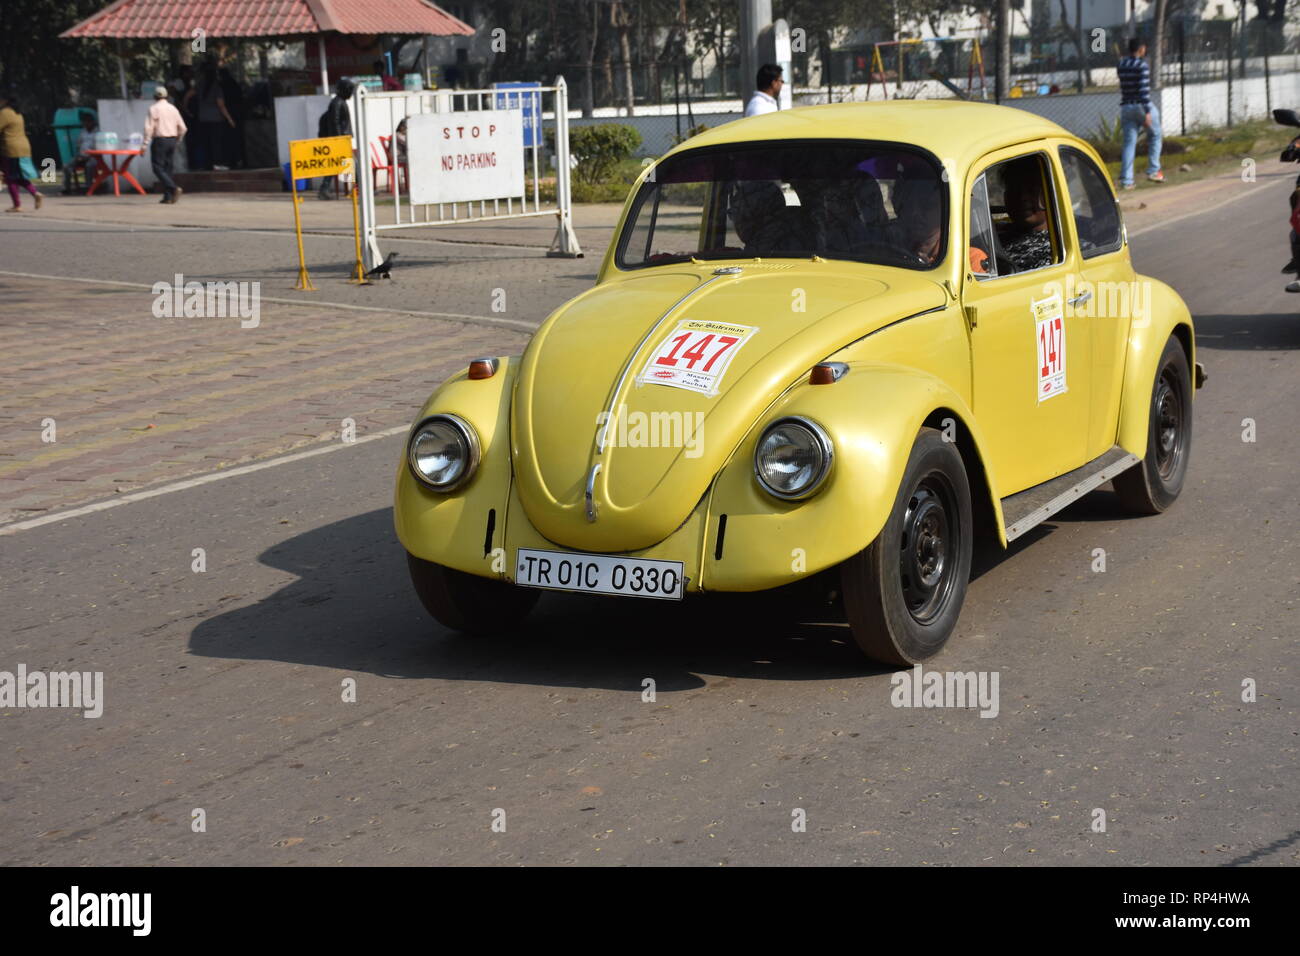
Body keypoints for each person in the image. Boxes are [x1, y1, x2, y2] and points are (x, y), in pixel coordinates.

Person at [1118, 38, 1163, 190]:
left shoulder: (1121, 64)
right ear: (1141, 49)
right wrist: (1147, 112)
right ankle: (1153, 170)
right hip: (1141, 106)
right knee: (1156, 134)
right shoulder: (1142, 66)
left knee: (1129, 144)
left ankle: (1127, 180)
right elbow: (1144, 91)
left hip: (1126, 107)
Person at [1000, 168, 1054, 272]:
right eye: (1015, 190)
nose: (1023, 197)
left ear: (1048, 194)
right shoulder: (995, 233)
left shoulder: (1058, 248)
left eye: (1031, 190)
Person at [0, 90, 42, 212]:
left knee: (10, 178)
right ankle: (35, 193)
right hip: (23, 147)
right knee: (18, 177)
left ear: (5, 101)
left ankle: (17, 205)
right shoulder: (17, 113)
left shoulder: (5, 113)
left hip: (10, 149)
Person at [144, 85, 187, 204]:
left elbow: (149, 128)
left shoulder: (153, 109)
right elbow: (183, 128)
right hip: (172, 140)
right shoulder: (173, 108)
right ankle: (167, 197)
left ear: (154, 97)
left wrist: (144, 144)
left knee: (157, 167)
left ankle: (173, 188)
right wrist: (178, 140)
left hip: (160, 140)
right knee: (168, 168)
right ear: (167, 96)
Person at [317, 78, 355, 200]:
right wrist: (339, 140)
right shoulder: (337, 103)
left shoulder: (340, 102)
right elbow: (335, 122)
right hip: (339, 140)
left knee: (343, 165)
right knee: (347, 164)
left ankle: (350, 188)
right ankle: (355, 188)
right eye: (349, 90)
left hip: (343, 139)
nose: (351, 93)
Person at [195, 60, 235, 170]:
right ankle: (217, 163)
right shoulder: (216, 87)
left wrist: (185, 108)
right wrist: (230, 119)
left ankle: (207, 164)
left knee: (206, 142)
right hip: (216, 119)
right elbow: (221, 105)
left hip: (203, 118)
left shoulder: (200, 85)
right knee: (216, 142)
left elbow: (189, 94)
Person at [65, 113, 100, 194]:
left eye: (88, 122)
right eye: (85, 122)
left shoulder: (97, 132)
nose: (86, 124)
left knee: (89, 165)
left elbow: (98, 147)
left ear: (92, 122)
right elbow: (78, 144)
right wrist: (79, 155)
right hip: (81, 156)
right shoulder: (83, 132)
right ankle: (66, 188)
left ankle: (89, 187)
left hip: (93, 156)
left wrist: (89, 155)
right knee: (66, 167)